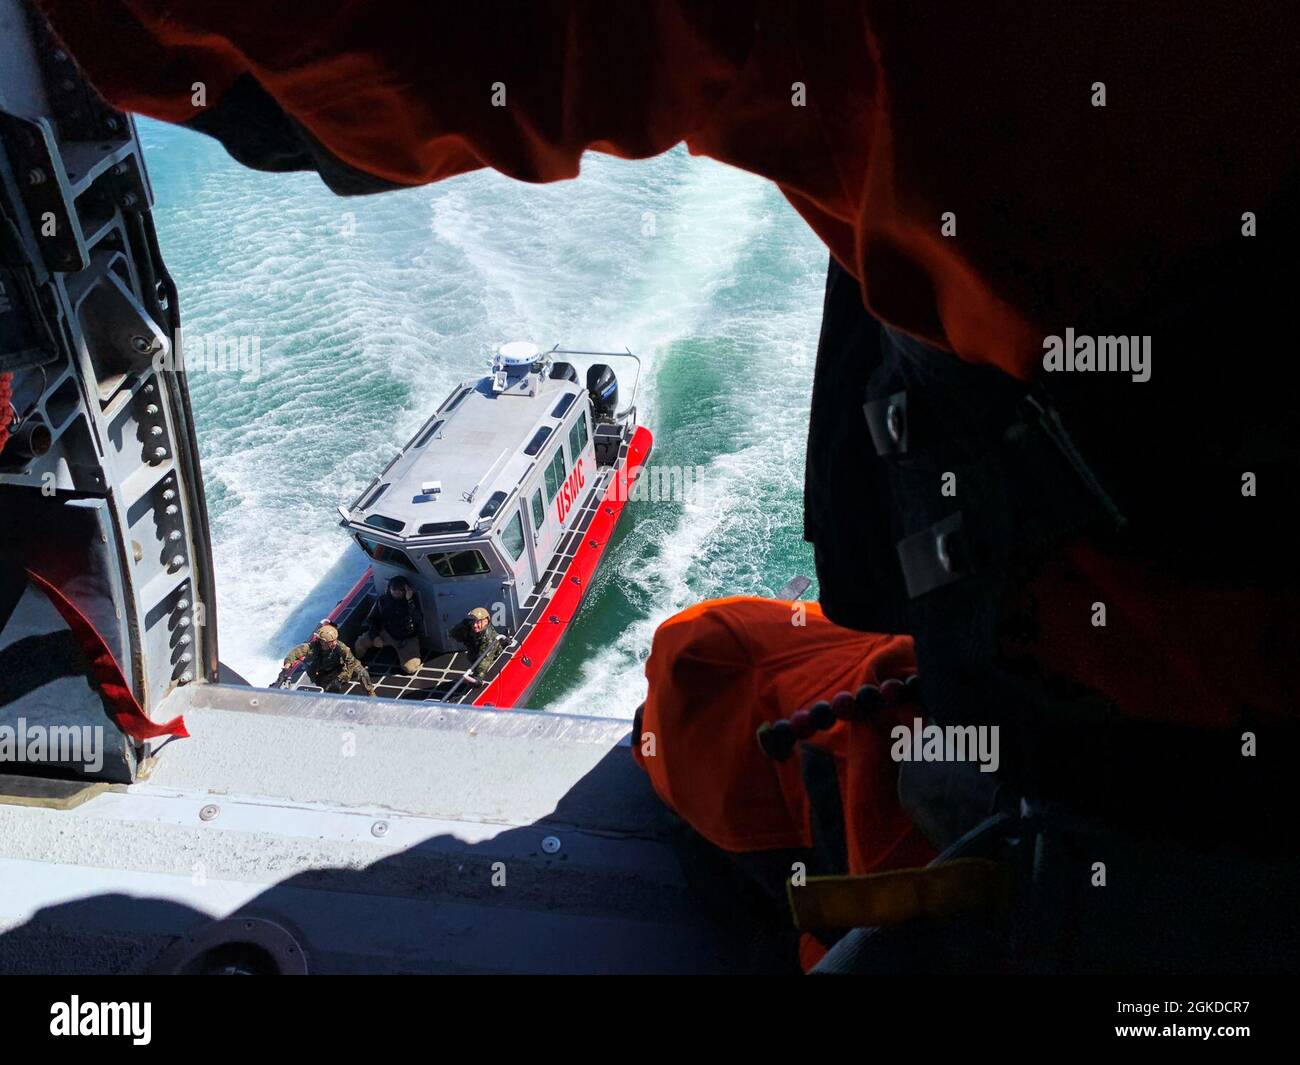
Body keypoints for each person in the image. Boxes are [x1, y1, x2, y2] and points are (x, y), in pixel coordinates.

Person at [282, 623, 376, 696]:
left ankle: (370, 692)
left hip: (341, 670)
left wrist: (340, 679)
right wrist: (287, 665)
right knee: (329, 690)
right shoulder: (314, 647)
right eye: (329, 641)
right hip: (325, 673)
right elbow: (296, 652)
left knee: (362, 672)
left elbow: (350, 663)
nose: (334, 643)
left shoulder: (341, 648)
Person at [355, 575, 424, 674]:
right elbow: (372, 619)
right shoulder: (382, 601)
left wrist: (410, 600)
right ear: (389, 589)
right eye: (394, 589)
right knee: (360, 644)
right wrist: (375, 636)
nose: (397, 592)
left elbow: (418, 619)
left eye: (401, 590)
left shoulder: (412, 602)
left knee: (410, 669)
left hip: (406, 638)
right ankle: (355, 663)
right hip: (387, 633)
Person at [448, 607, 501, 684]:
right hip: (475, 654)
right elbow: (453, 633)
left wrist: (478, 678)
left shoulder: (490, 638)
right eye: (473, 622)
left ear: (486, 621)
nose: (475, 625)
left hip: (493, 661)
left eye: (478, 622)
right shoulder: (470, 626)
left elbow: (485, 660)